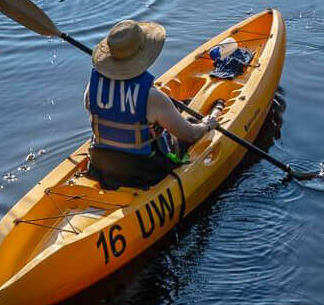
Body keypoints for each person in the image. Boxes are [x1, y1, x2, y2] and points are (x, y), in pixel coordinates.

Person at [84, 17, 224, 189]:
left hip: (103, 166)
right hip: (143, 171)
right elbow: (190, 135)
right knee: (191, 123)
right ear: (143, 55)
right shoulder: (153, 98)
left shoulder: (92, 88)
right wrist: (206, 125)